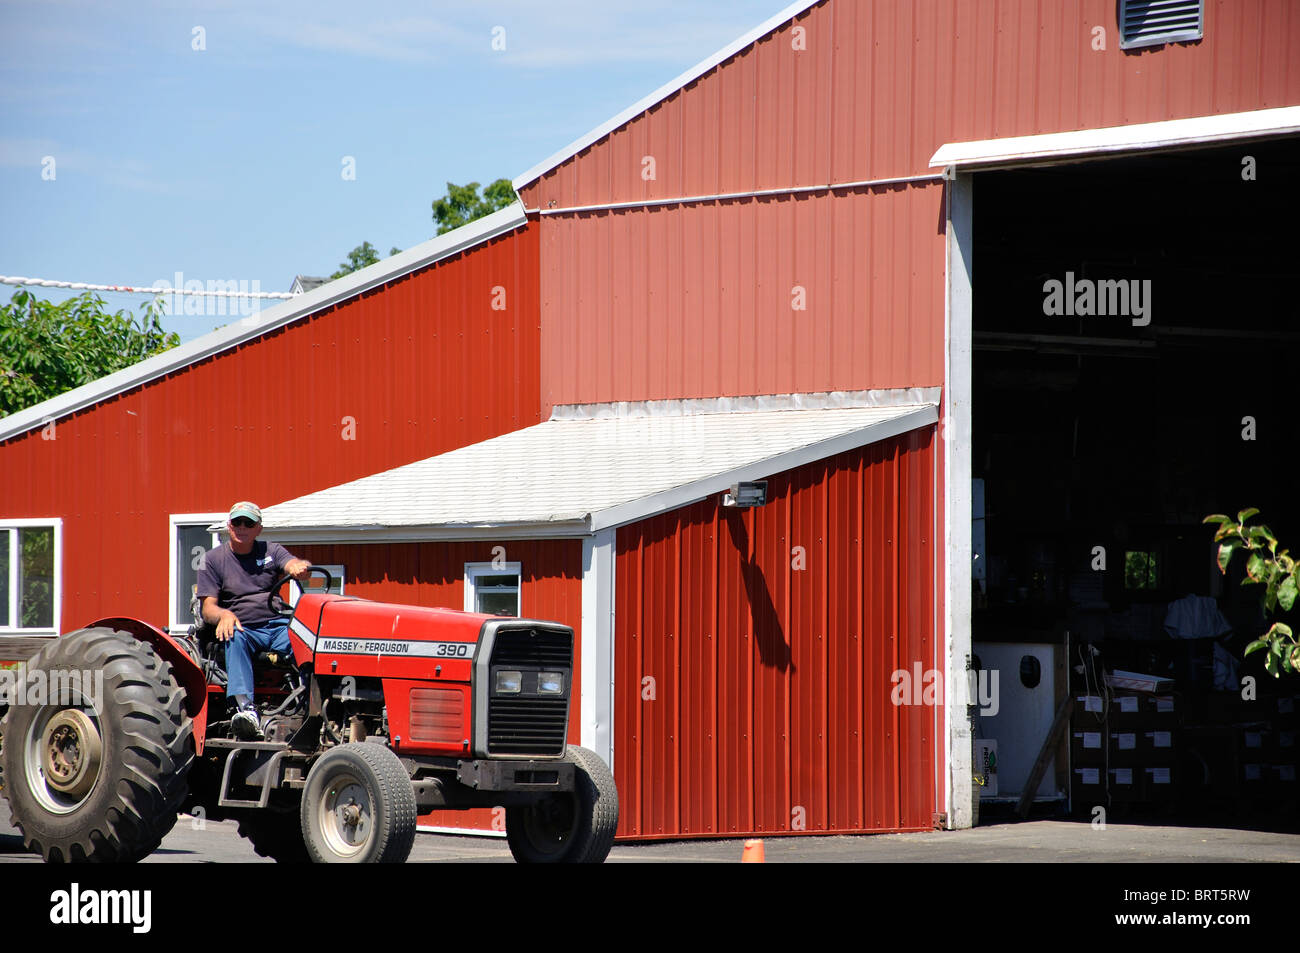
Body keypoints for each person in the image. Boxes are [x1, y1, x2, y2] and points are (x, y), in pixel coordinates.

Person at [197, 501, 311, 740]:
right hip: (244, 628)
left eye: (248, 523)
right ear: (229, 526)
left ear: (258, 528)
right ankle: (246, 709)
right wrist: (224, 614)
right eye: (237, 522)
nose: (242, 527)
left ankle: (311, 700)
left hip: (277, 625)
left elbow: (293, 564)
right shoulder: (212, 560)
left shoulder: (271, 551)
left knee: (308, 639)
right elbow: (208, 608)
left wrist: (300, 567)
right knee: (232, 634)